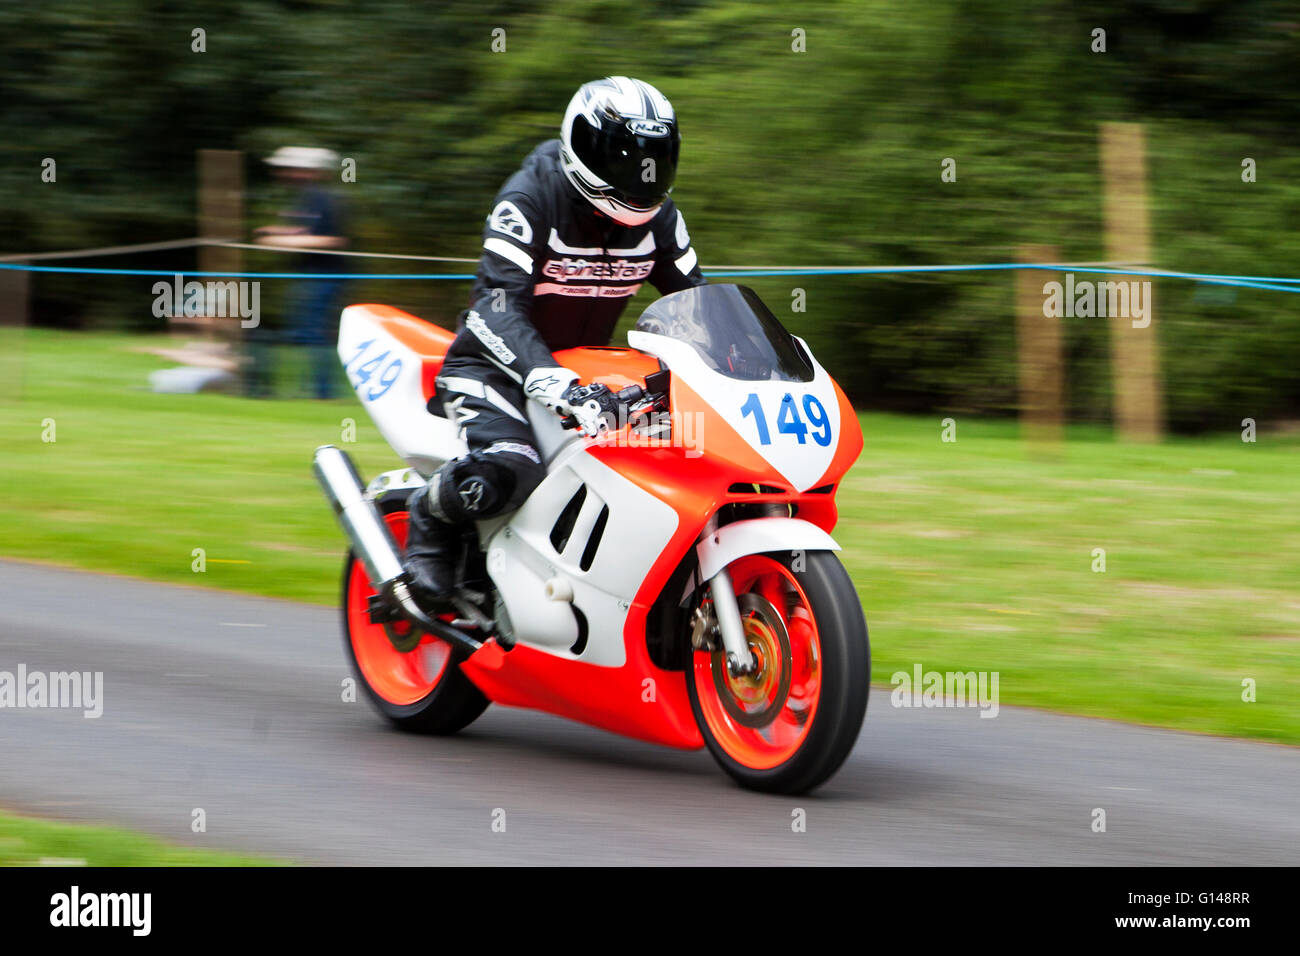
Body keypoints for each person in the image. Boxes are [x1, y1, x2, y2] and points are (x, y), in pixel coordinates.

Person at [404, 76, 706, 610]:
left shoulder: (661, 219)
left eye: (654, 159)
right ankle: (427, 518)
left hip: (586, 376)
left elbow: (697, 307)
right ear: (580, 148)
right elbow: (495, 307)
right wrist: (551, 380)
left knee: (670, 467)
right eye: (624, 159)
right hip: (493, 368)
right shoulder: (529, 200)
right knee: (513, 467)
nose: (641, 176)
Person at [249, 146, 349, 398]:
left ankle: (323, 393)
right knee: (308, 332)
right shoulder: (309, 197)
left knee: (315, 334)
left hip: (325, 275)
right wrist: (278, 231)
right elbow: (308, 231)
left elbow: (333, 239)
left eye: (290, 169)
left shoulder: (323, 198)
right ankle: (318, 391)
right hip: (312, 275)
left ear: (307, 171)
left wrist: (277, 242)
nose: (284, 173)